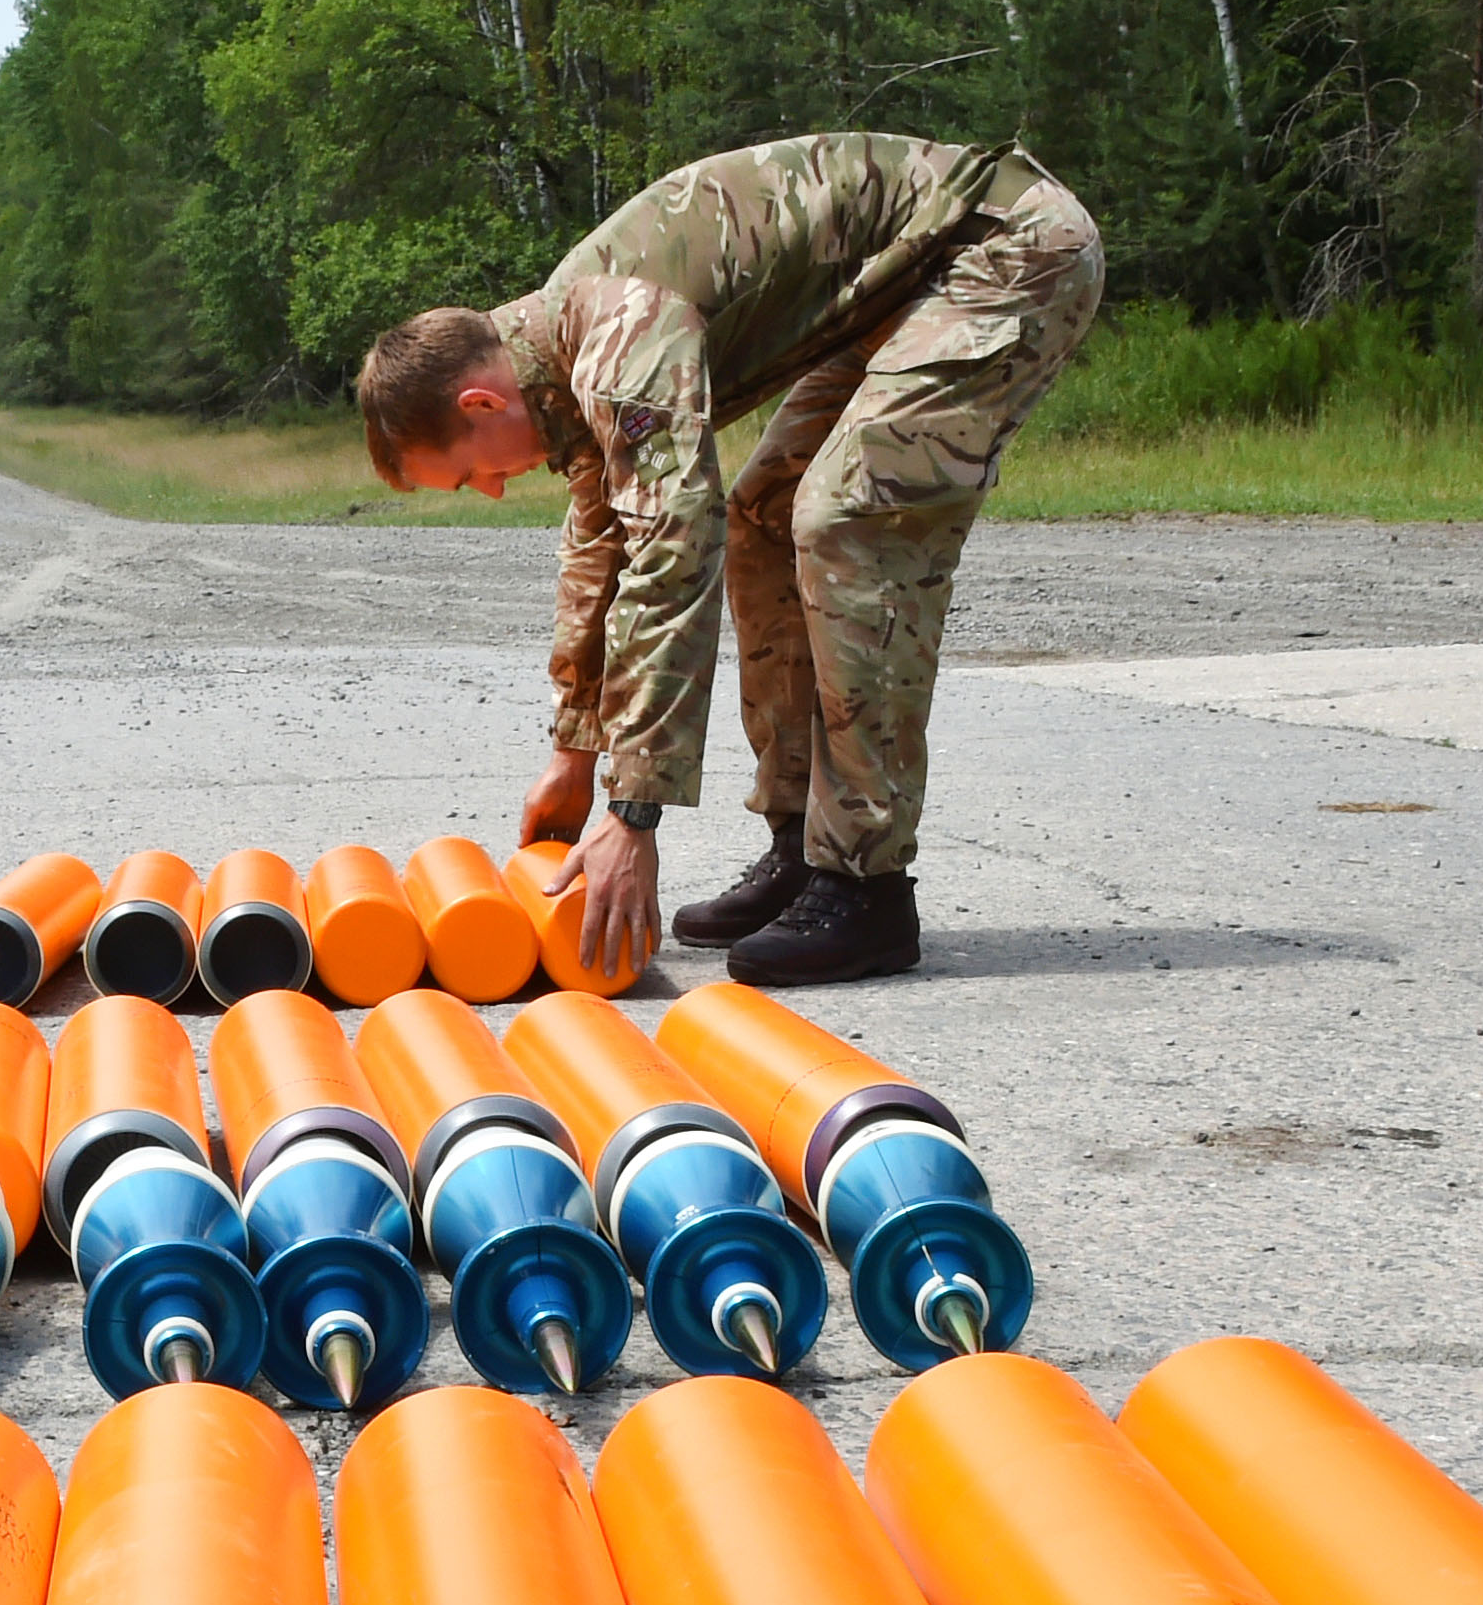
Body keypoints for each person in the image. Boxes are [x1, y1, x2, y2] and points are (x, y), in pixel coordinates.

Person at [360, 134, 1102, 986]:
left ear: (482, 401)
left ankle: (866, 885)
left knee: (845, 518)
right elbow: (607, 542)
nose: (490, 490)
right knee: (765, 517)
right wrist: (574, 747)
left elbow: (672, 551)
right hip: (908, 286)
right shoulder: (565, 354)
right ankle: (801, 846)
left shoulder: (618, 333)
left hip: (1003, 249)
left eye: (468, 474)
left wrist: (631, 815)